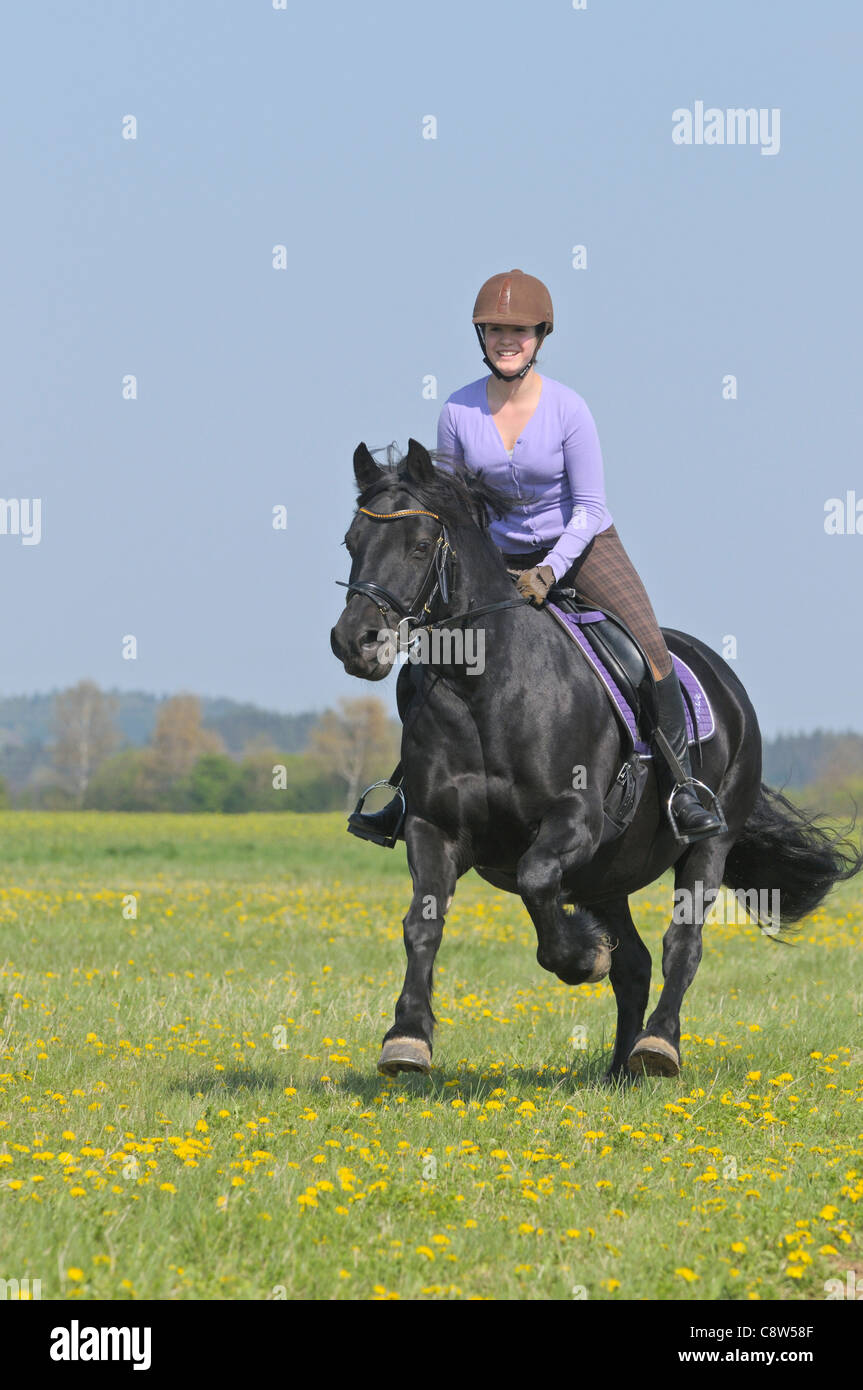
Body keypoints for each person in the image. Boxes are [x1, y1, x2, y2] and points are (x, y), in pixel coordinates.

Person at [349, 268, 723, 847]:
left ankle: (684, 789)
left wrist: (550, 569)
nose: (506, 339)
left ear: (540, 337)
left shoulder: (569, 410)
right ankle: (405, 793)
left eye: (518, 330)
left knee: (648, 648)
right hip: (495, 560)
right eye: (495, 328)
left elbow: (592, 506)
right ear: (481, 336)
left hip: (581, 547)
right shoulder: (456, 412)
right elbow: (455, 507)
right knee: (431, 657)